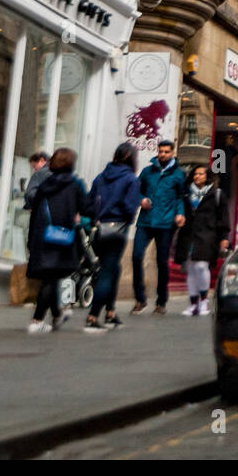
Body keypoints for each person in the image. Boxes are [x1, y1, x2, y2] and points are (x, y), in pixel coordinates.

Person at [26, 147, 90, 333]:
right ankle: (37, 321)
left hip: (42, 236)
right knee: (51, 279)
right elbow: (88, 208)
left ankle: (56, 315)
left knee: (51, 277)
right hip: (62, 237)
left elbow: (35, 213)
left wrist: (31, 241)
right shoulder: (75, 185)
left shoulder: (44, 185)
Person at [84, 142, 142, 333]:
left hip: (99, 229)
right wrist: (127, 216)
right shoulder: (131, 180)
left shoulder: (101, 177)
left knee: (113, 269)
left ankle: (110, 312)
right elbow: (129, 207)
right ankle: (93, 316)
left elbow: (89, 204)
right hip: (117, 230)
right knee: (107, 273)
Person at [131, 140, 186, 315]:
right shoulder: (148, 171)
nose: (162, 154)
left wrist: (180, 213)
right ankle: (140, 299)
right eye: (161, 151)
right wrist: (141, 199)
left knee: (162, 262)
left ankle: (161, 301)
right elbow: (136, 190)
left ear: (172, 153)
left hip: (166, 223)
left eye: (166, 152)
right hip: (146, 221)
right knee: (136, 256)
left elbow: (180, 197)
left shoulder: (178, 174)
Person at [173, 164, 230, 316]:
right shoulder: (186, 194)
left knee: (201, 266)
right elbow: (178, 210)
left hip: (208, 236)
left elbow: (223, 217)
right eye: (195, 174)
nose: (197, 176)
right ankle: (193, 304)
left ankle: (204, 301)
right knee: (191, 269)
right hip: (188, 235)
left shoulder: (217, 194)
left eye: (201, 174)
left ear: (207, 176)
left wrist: (225, 237)